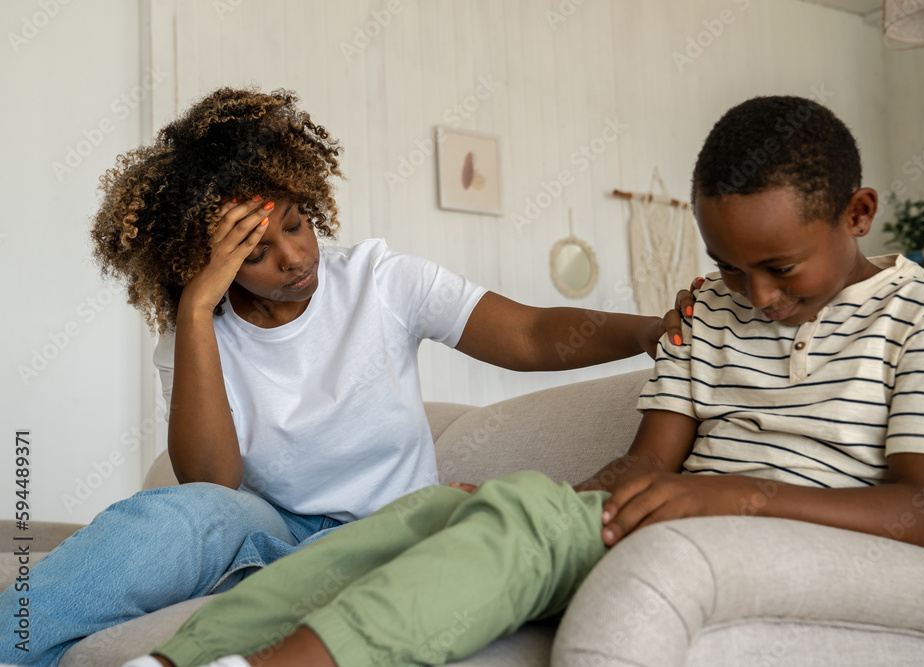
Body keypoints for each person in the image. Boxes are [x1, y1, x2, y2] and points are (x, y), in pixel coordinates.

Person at [123, 94, 924, 667]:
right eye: (729, 266)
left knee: (507, 510)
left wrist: (730, 495)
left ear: (858, 215)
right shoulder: (714, 311)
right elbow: (649, 463)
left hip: (780, 528)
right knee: (433, 509)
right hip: (675, 511)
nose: (755, 295)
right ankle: (169, 660)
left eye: (781, 267)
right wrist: (540, 498)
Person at [0, 87, 672, 667]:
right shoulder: (195, 331)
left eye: (295, 224)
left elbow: (528, 333)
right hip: (274, 533)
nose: (293, 257)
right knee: (178, 511)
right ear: (202, 261)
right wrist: (197, 310)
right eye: (254, 252)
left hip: (392, 524)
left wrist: (644, 331)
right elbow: (212, 485)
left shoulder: (379, 280)